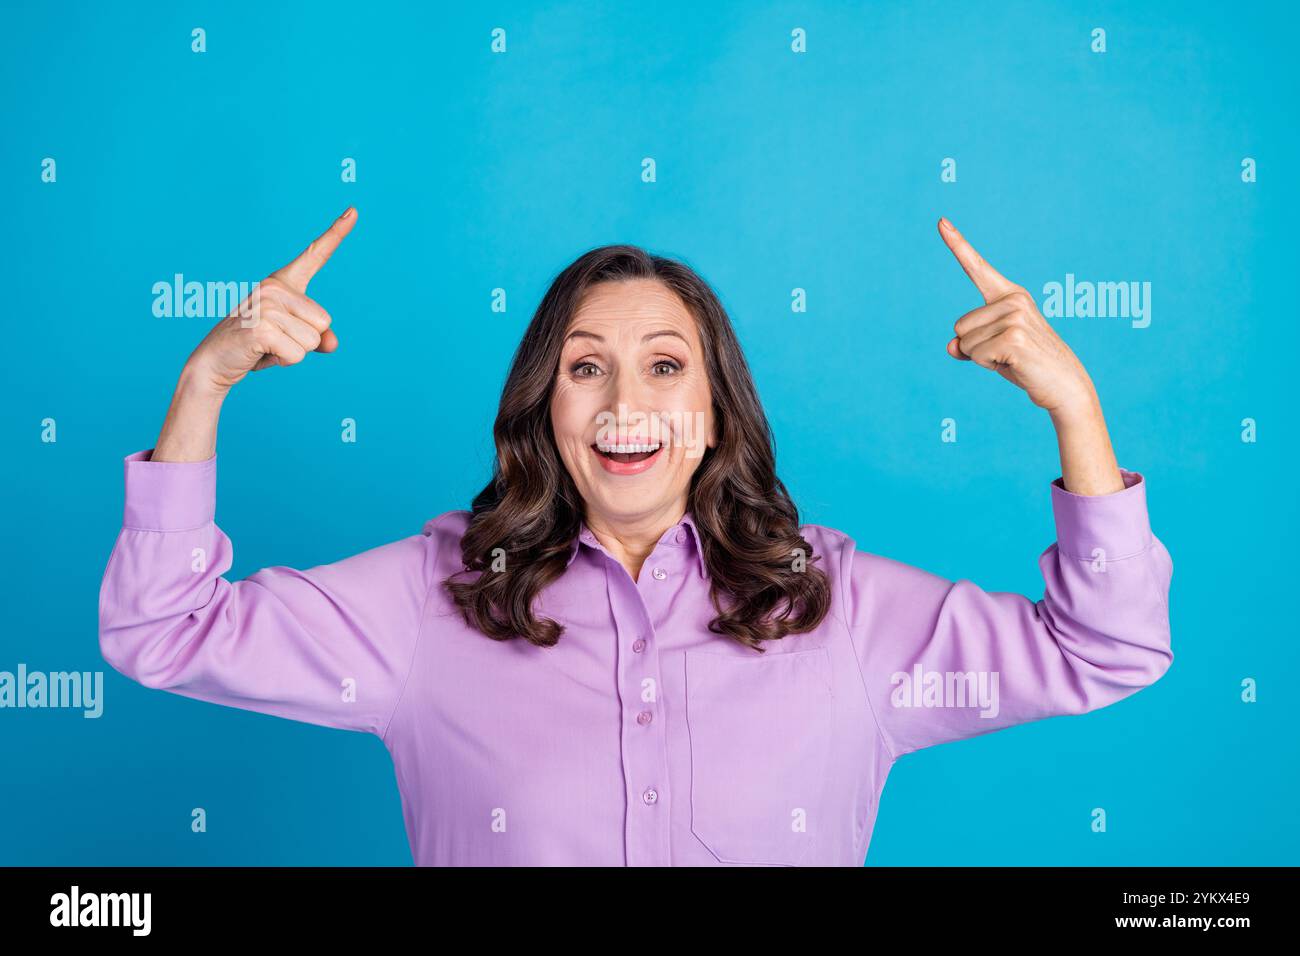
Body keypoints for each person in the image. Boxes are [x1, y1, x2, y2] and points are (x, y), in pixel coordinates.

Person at [98, 208, 1173, 866]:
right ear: (545, 403)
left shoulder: (836, 607)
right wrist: (206, 383)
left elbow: (1106, 648)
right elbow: (162, 629)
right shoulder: (434, 599)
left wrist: (1074, 410)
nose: (625, 405)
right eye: (585, 367)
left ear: (715, 405)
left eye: (665, 366)